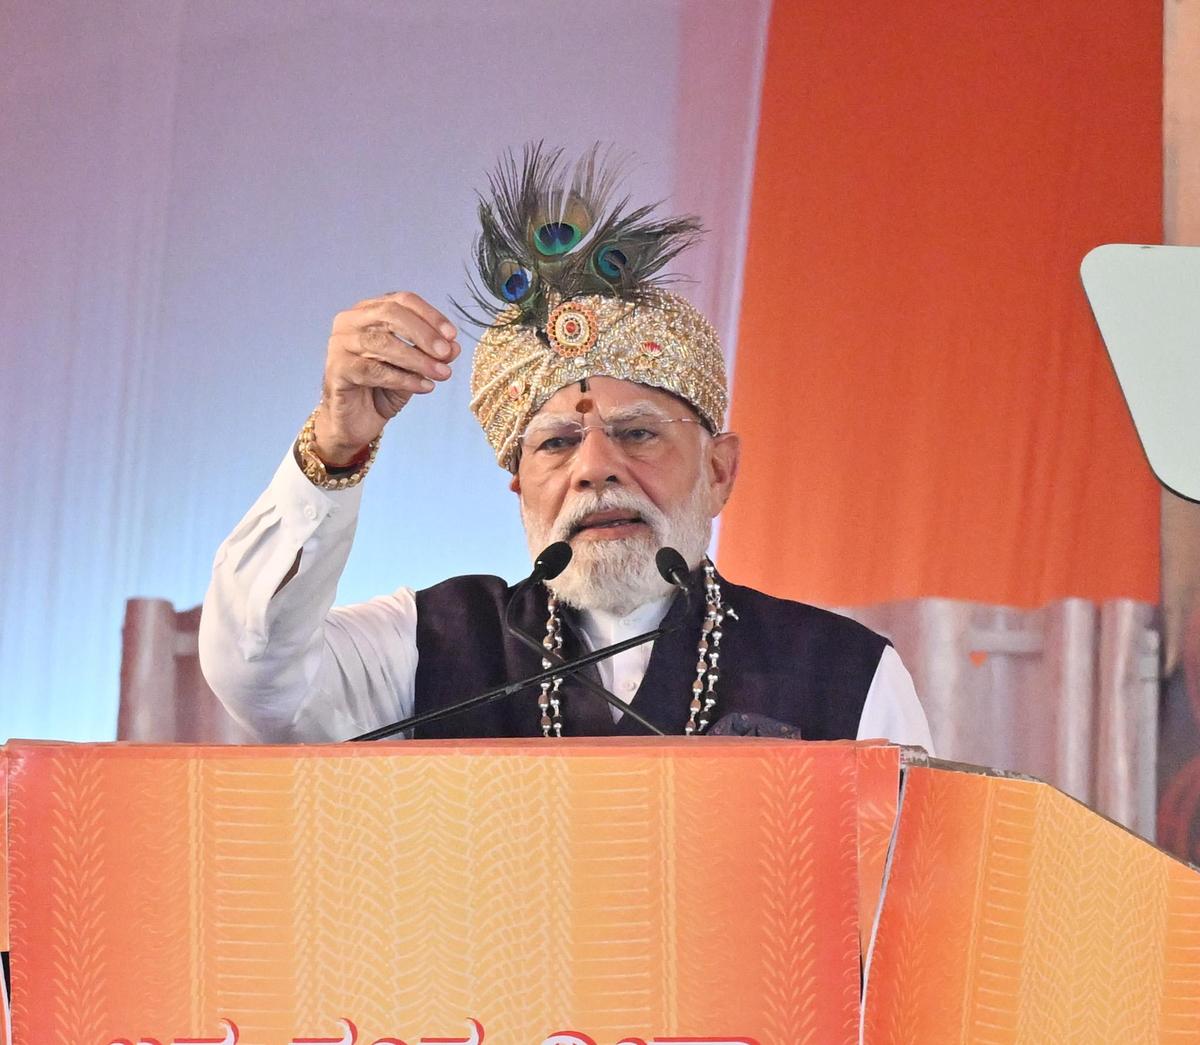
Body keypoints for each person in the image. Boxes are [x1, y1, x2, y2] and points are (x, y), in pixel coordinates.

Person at [198, 146, 933, 750]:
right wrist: (335, 445)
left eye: (638, 432)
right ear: (518, 484)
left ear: (719, 471)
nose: (595, 468)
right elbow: (257, 676)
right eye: (555, 443)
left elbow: (905, 901)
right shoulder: (431, 646)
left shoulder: (846, 672)